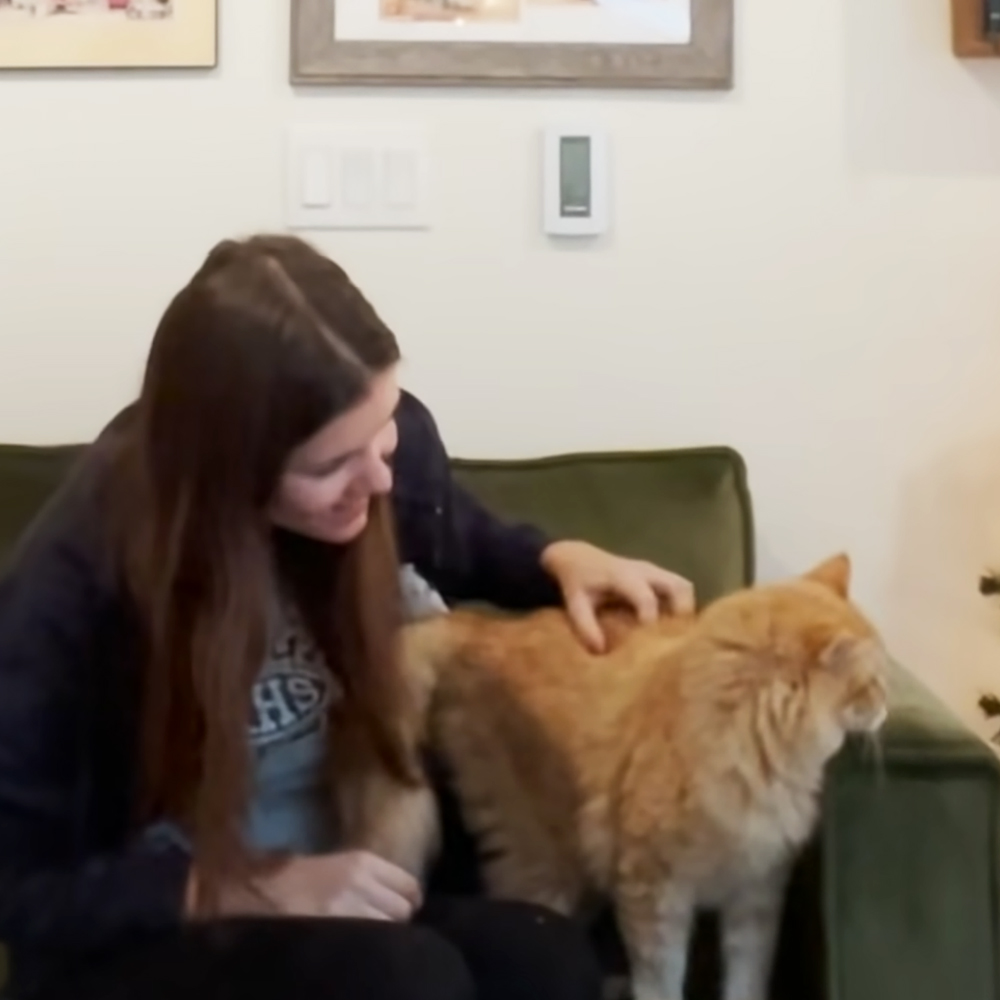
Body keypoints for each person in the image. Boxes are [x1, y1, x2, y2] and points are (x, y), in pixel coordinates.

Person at [0, 235, 694, 1000]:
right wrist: (248, 889)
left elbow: (453, 533)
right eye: (329, 466)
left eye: (386, 427)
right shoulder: (72, 585)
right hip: (164, 930)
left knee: (545, 959)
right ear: (225, 472)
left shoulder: (381, 458)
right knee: (405, 979)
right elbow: (24, 889)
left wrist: (555, 557)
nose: (378, 478)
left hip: (341, 892)